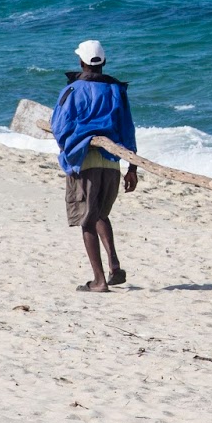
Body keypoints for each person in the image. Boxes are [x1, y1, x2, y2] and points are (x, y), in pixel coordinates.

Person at [50, 39, 139, 293]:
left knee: (87, 220)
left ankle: (99, 281)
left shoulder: (72, 90)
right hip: (112, 161)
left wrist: (69, 149)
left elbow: (60, 127)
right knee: (100, 213)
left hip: (84, 161)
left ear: (81, 62)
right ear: (104, 62)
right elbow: (127, 129)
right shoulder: (117, 90)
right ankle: (114, 266)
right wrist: (132, 167)